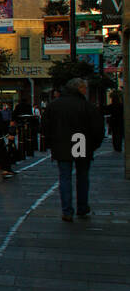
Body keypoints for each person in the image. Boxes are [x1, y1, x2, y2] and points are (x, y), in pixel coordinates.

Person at [43, 78, 105, 221]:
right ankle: (82, 207)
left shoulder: (54, 105)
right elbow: (97, 128)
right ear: (80, 89)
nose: (86, 90)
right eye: (84, 88)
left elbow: (45, 127)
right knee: (82, 176)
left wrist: (52, 143)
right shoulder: (86, 106)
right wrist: (93, 145)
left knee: (64, 177)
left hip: (61, 144)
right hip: (81, 143)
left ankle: (67, 210)